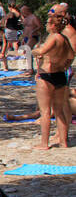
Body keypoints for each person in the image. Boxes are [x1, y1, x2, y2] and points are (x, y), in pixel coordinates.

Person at [33, 12, 73, 150]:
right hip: (60, 74)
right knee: (59, 111)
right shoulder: (65, 39)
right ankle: (63, 142)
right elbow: (71, 55)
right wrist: (65, 65)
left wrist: (34, 51)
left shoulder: (54, 37)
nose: (45, 25)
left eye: (47, 23)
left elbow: (42, 51)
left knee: (45, 112)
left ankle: (44, 143)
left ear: (53, 25)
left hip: (47, 75)